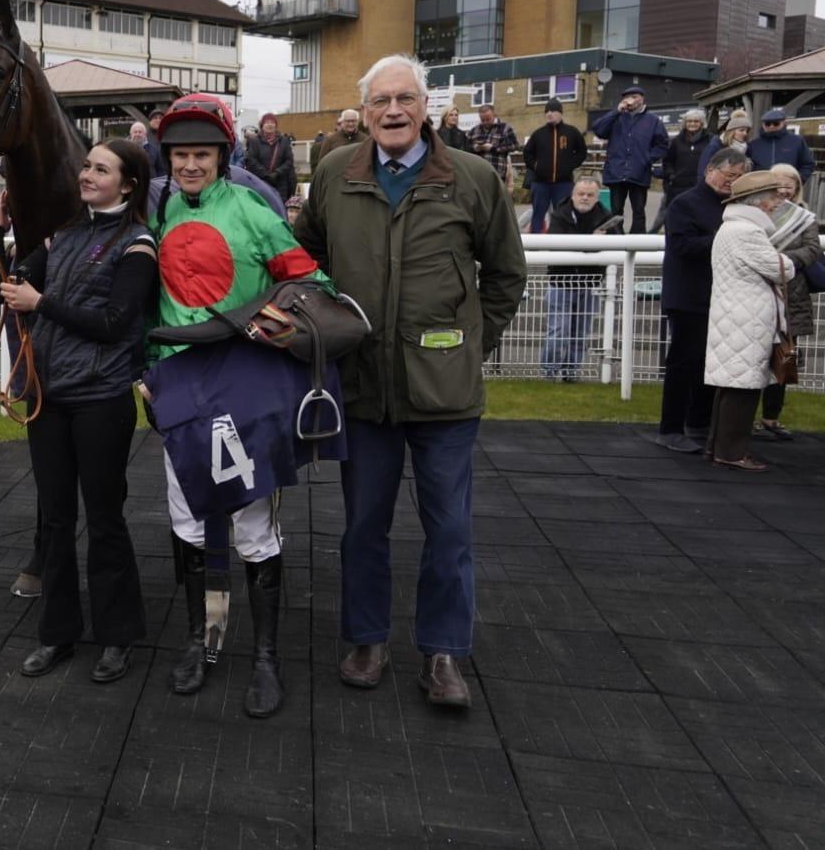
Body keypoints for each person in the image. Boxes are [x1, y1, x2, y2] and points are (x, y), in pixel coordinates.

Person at [297, 54, 526, 709]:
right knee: (363, 524)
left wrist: (472, 343)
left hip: (445, 393)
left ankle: (443, 652)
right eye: (380, 102)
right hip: (364, 387)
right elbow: (304, 252)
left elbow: (506, 275)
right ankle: (366, 638)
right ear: (364, 111)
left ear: (426, 106)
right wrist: (324, 317)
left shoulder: (475, 178)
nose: (393, 111)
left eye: (405, 98)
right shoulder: (336, 173)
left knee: (449, 528)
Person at [146, 93, 327, 718]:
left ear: (223, 157)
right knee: (191, 521)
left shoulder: (253, 209)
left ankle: (267, 657)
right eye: (180, 155)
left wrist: (255, 329)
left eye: (201, 154)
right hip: (179, 387)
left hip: (242, 386)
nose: (190, 165)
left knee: (253, 527)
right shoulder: (161, 208)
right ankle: (203, 638)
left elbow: (309, 283)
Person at [0, 140, 153, 683]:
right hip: (50, 398)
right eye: (86, 165)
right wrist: (0, 230)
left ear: (127, 184)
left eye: (100, 168)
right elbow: (12, 282)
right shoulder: (63, 233)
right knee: (56, 520)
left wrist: (43, 305)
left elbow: (113, 322)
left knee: (105, 518)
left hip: (102, 398)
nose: (86, 174)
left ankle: (116, 637)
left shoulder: (138, 245)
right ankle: (57, 633)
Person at [653, 148, 749, 452]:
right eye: (728, 175)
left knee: (710, 364)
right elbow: (682, 246)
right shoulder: (684, 203)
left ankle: (698, 422)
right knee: (683, 363)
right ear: (710, 171)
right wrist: (726, 240)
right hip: (688, 296)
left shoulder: (737, 207)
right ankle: (670, 429)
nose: (731, 182)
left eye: (738, 177)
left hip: (722, 296)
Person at [703, 170, 795, 472]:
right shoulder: (747, 231)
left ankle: (718, 448)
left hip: (734, 312)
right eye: (772, 198)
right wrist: (788, 258)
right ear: (756, 202)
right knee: (743, 387)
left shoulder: (732, 227)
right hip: (747, 315)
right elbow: (783, 269)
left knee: (729, 385)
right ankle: (731, 452)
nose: (775, 204)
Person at [755, 163, 819, 441]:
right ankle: (742, 417)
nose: (783, 189)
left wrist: (782, 262)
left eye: (788, 184)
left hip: (791, 293)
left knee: (783, 359)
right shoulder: (757, 212)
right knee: (752, 356)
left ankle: (771, 416)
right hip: (757, 290)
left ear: (796, 188)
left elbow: (813, 249)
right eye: (778, 183)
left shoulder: (804, 218)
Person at [542, 177, 620, 380]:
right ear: (573, 195)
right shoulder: (560, 214)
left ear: (597, 197)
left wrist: (592, 243)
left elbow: (617, 243)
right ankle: (548, 373)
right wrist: (592, 242)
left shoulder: (606, 216)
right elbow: (558, 243)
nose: (585, 198)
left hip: (591, 283)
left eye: (590, 194)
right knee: (559, 331)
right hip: (561, 282)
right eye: (581, 194)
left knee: (580, 333)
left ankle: (571, 373)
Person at [592, 84, 668, 233]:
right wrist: (616, 112)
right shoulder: (616, 117)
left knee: (638, 210)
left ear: (642, 99)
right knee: (616, 210)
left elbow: (662, 144)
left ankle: (637, 242)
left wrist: (647, 158)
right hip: (616, 172)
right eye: (627, 97)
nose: (630, 100)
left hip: (639, 172)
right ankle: (615, 240)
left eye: (634, 97)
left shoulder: (652, 120)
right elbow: (599, 130)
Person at [521, 98, 588, 234]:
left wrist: (570, 165)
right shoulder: (538, 134)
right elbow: (527, 153)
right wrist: (536, 166)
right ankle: (536, 247)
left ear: (560, 113)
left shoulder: (571, 132)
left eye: (553, 111)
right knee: (538, 215)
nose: (549, 114)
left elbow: (582, 152)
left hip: (563, 183)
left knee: (562, 215)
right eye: (547, 111)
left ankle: (561, 245)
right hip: (540, 183)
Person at [653, 109, 714, 233]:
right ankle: (651, 236)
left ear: (702, 123)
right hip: (677, 185)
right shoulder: (676, 141)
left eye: (696, 121)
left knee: (698, 213)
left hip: (699, 184)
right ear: (685, 123)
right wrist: (671, 175)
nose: (692, 124)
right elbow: (668, 161)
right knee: (668, 213)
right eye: (689, 121)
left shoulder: (710, 140)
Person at [746, 108, 815, 184]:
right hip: (760, 189)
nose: (771, 126)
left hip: (788, 188)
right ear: (763, 125)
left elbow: (808, 164)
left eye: (776, 123)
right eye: (767, 124)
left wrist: (798, 179)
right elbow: (746, 167)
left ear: (784, 123)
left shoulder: (797, 141)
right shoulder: (753, 144)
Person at [244, 112, 299, 204]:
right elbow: (251, 160)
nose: (270, 125)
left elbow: (289, 161)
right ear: (262, 125)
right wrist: (265, 174)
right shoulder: (255, 141)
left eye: (272, 122)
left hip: (280, 184)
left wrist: (277, 173)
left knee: (279, 209)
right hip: (260, 182)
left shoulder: (283, 141)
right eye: (267, 122)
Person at [467, 103, 519, 194]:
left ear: (494, 115)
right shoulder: (474, 130)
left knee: (496, 200)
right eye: (482, 120)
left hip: (497, 172)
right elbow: (466, 148)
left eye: (488, 119)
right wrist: (475, 148)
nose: (485, 122)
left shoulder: (505, 128)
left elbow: (515, 145)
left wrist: (494, 148)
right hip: (478, 173)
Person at [699, 110, 753, 175]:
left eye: (747, 131)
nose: (745, 133)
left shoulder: (747, 149)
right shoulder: (715, 147)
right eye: (741, 130)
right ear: (731, 132)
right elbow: (704, 171)